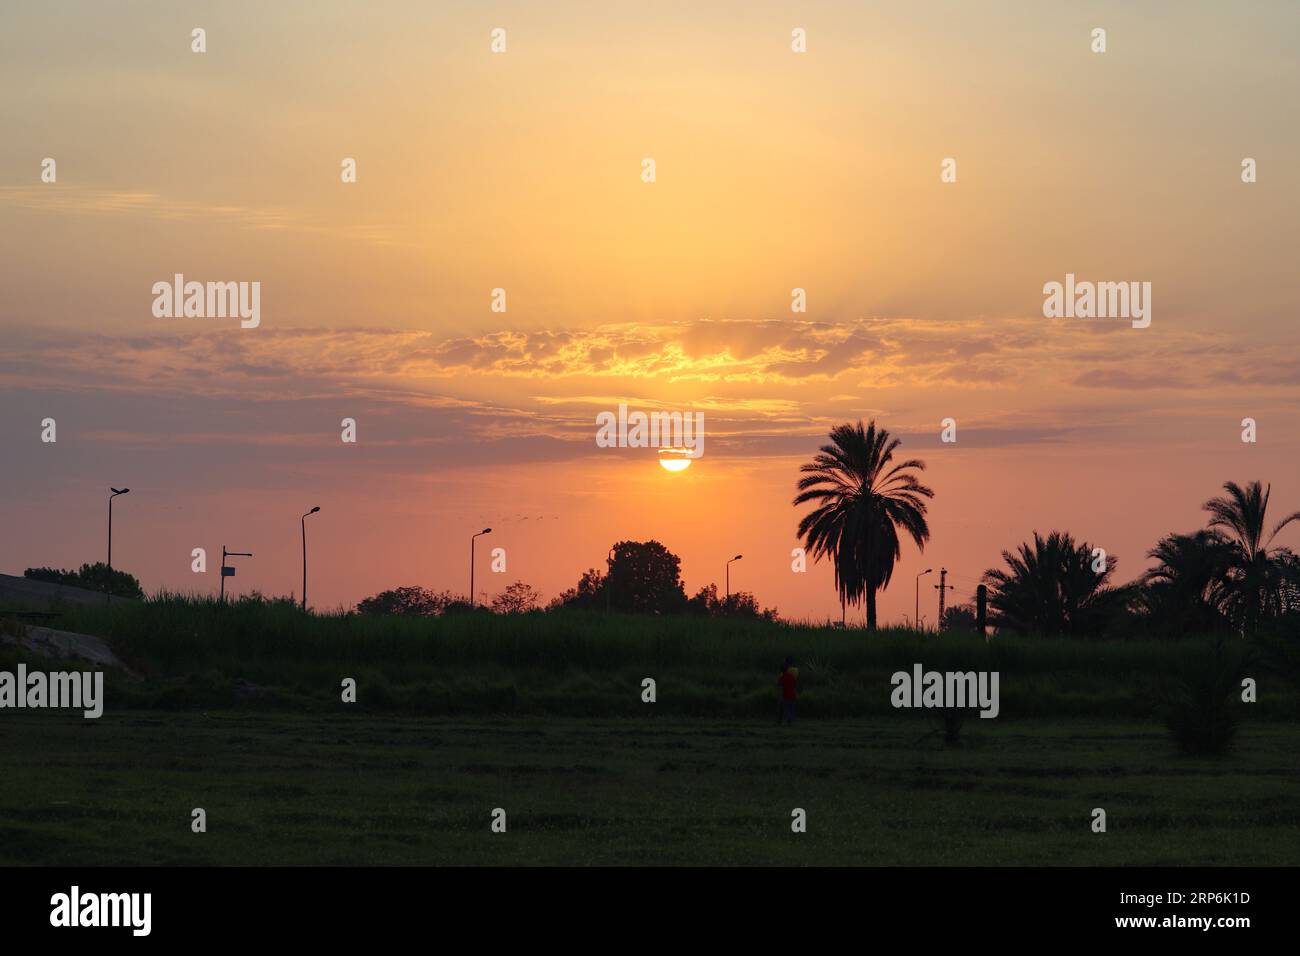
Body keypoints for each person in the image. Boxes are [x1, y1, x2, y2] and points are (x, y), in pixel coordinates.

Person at [776, 656, 798, 725]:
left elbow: (779, 686)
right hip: (792, 695)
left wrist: (780, 695)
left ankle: (780, 721)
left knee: (783, 709)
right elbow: (795, 684)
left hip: (785, 695)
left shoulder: (782, 676)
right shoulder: (794, 672)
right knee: (791, 709)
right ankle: (789, 721)